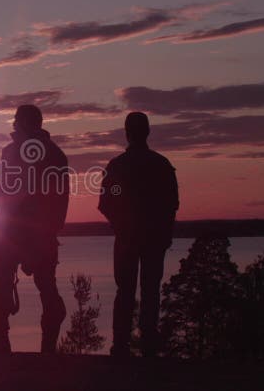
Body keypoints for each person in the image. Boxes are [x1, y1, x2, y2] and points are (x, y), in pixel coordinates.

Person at [0, 104, 69, 353]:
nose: (13, 125)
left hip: (16, 234)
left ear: (21, 123)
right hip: (34, 234)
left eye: (16, 121)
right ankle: (43, 346)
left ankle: (3, 339)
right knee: (41, 287)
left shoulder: (13, 152)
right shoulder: (55, 154)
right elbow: (60, 200)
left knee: (4, 284)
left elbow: (7, 192)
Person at [99, 111, 179, 358]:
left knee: (126, 291)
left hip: (128, 239)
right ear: (147, 132)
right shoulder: (161, 165)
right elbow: (171, 203)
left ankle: (121, 344)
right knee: (150, 290)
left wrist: (120, 225)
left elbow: (106, 202)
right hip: (151, 239)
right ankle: (148, 345)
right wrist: (162, 232)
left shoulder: (118, 167)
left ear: (127, 132)